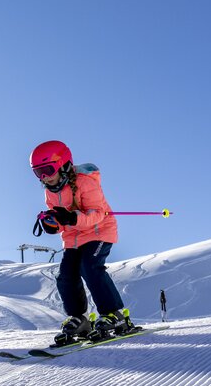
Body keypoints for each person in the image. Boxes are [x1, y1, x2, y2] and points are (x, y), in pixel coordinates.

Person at [30, 140, 136, 344]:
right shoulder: (50, 192)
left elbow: (97, 214)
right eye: (38, 173)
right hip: (73, 239)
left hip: (99, 232)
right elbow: (61, 222)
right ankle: (79, 318)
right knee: (65, 276)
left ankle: (115, 314)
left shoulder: (85, 182)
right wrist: (54, 224)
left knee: (90, 267)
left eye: (48, 170)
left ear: (64, 164)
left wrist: (72, 218)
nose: (45, 177)